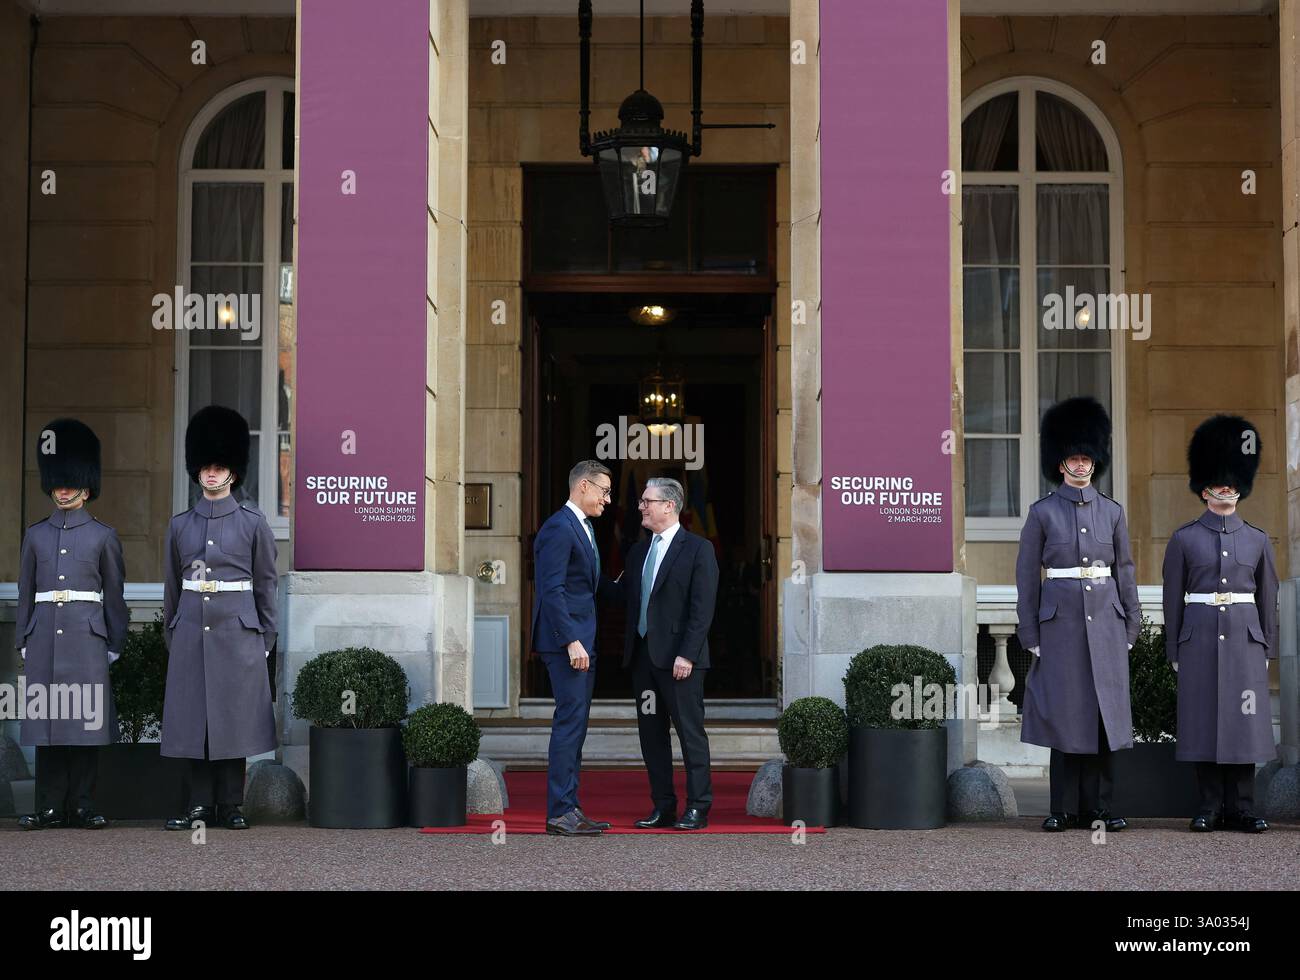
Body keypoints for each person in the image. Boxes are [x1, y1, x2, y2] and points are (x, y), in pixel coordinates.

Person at [1016, 397, 1138, 832]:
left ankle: (1100, 808)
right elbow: (1028, 576)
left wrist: (1131, 623)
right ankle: (1063, 807)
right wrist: (1029, 629)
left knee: (1103, 714)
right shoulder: (1042, 512)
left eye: (1087, 457)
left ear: (1095, 460)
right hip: (1061, 625)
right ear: (1061, 461)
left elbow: (1124, 569)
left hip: (1106, 621)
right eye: (1074, 457)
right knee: (1067, 715)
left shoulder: (1113, 512)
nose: (1081, 464)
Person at [161, 406, 277, 832]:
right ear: (197, 471)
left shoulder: (253, 523)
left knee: (234, 720)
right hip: (191, 630)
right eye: (206, 467)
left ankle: (231, 805)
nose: (211, 474)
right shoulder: (180, 526)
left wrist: (266, 636)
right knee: (195, 721)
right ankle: (198, 805)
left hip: (239, 632)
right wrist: (173, 631)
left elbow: (267, 584)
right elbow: (173, 585)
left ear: (233, 472)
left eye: (219, 466)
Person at [1162, 415, 1276, 834]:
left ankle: (1242, 807)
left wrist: (1267, 647)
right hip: (1200, 638)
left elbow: (1267, 597)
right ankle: (1209, 806)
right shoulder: (1184, 538)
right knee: (1204, 720)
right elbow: (1172, 599)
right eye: (1219, 482)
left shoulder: (1258, 539)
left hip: (1245, 639)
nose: (1226, 488)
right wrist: (1174, 647)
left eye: (1232, 482)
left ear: (1240, 485)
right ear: (1205, 487)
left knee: (1244, 723)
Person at [16, 419, 126, 830]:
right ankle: (48, 806)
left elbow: (114, 594)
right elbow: (27, 590)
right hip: (44, 635)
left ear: (85, 486)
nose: (62, 490)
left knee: (84, 725)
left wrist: (114, 642)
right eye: (57, 483)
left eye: (69, 483)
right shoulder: (35, 536)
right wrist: (23, 637)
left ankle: (81, 804)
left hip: (87, 638)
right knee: (48, 726)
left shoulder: (103, 536)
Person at [617, 477, 718, 830]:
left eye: (648, 501)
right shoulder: (638, 551)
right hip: (644, 661)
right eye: (642, 500)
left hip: (680, 662)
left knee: (690, 734)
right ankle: (663, 806)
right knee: (651, 735)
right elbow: (626, 599)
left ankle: (698, 807)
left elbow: (702, 609)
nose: (641, 506)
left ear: (669, 506)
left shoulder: (698, 549)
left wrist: (687, 655)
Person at [530, 460, 619, 836]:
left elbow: (589, 587)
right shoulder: (558, 528)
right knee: (569, 725)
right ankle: (560, 812)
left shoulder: (581, 527)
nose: (608, 500)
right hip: (568, 645)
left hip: (583, 641)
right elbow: (551, 592)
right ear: (584, 486)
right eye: (604, 491)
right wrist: (570, 641)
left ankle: (570, 807)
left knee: (576, 726)